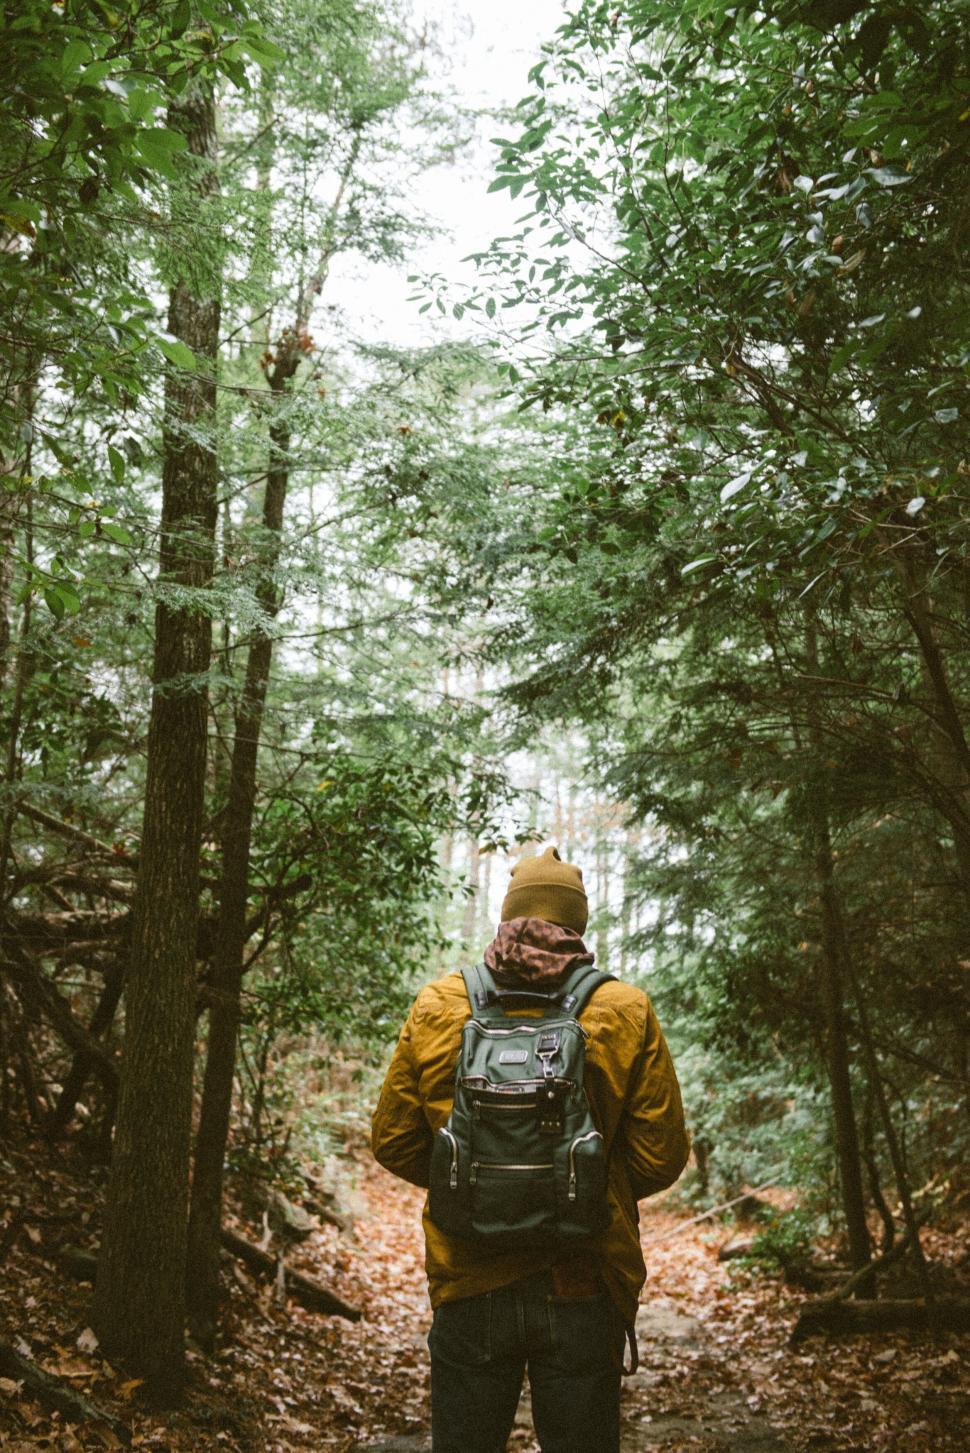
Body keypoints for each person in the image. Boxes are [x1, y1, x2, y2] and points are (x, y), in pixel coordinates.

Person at [371, 844, 690, 1453]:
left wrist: (471, 1185)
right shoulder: (624, 1009)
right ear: (577, 925)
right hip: (582, 1274)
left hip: (469, 1274)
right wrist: (580, 1184)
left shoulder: (441, 1004)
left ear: (507, 917)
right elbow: (661, 1156)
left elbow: (392, 1142)